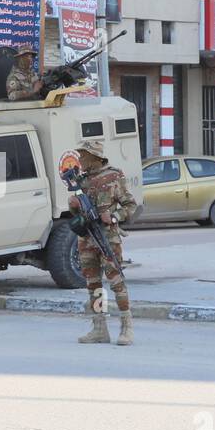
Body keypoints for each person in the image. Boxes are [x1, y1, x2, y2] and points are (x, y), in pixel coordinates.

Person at [68, 139, 137, 346]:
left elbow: (130, 205)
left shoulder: (114, 175)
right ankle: (99, 329)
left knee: (116, 282)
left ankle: (126, 328)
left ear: (95, 157)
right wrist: (73, 206)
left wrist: (114, 217)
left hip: (108, 238)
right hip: (86, 239)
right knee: (93, 284)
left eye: (84, 155)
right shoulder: (81, 180)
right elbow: (79, 210)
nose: (80, 159)